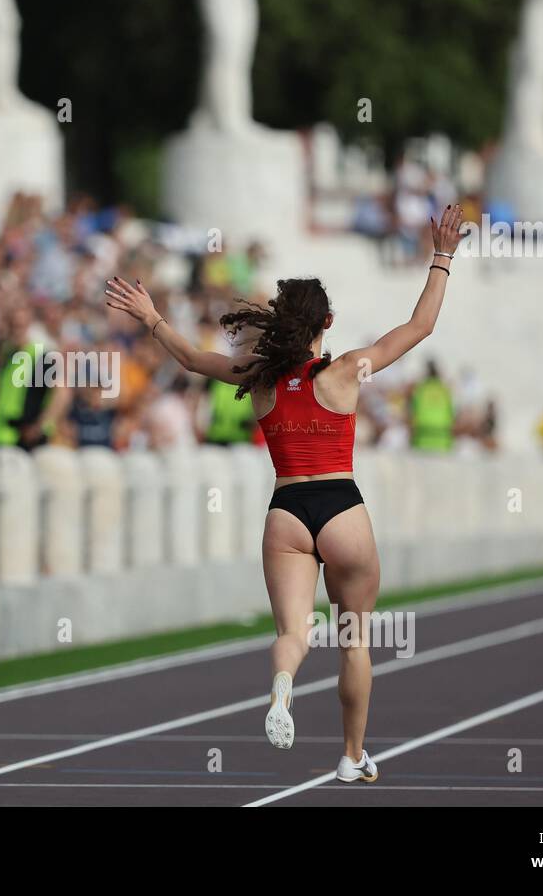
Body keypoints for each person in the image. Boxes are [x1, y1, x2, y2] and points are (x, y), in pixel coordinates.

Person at [105, 204, 466, 785]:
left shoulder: (260, 377)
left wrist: (151, 317)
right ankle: (352, 755)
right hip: (342, 507)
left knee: (293, 634)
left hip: (287, 512)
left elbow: (194, 358)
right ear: (327, 321)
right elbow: (419, 327)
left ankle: (282, 688)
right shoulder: (347, 370)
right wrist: (443, 256)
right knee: (354, 640)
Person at [410, 359, 454, 452]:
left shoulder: (420, 389)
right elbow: (453, 412)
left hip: (422, 436)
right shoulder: (444, 390)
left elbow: (413, 411)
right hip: (443, 437)